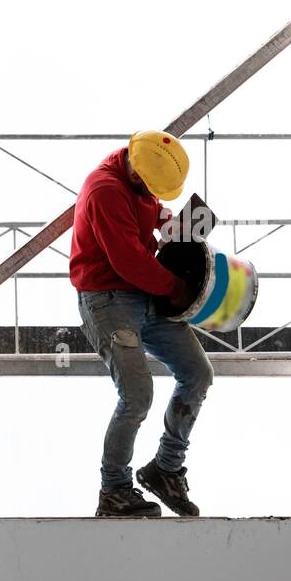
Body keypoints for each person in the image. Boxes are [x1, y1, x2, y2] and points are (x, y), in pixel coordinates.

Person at [70, 131, 214, 518]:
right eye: (151, 188)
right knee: (136, 395)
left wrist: (169, 221)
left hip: (144, 296)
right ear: (134, 168)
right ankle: (114, 490)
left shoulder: (142, 177)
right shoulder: (103, 190)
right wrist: (175, 287)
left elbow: (149, 216)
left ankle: (165, 469)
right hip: (108, 300)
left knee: (197, 373)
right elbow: (129, 261)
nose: (152, 194)